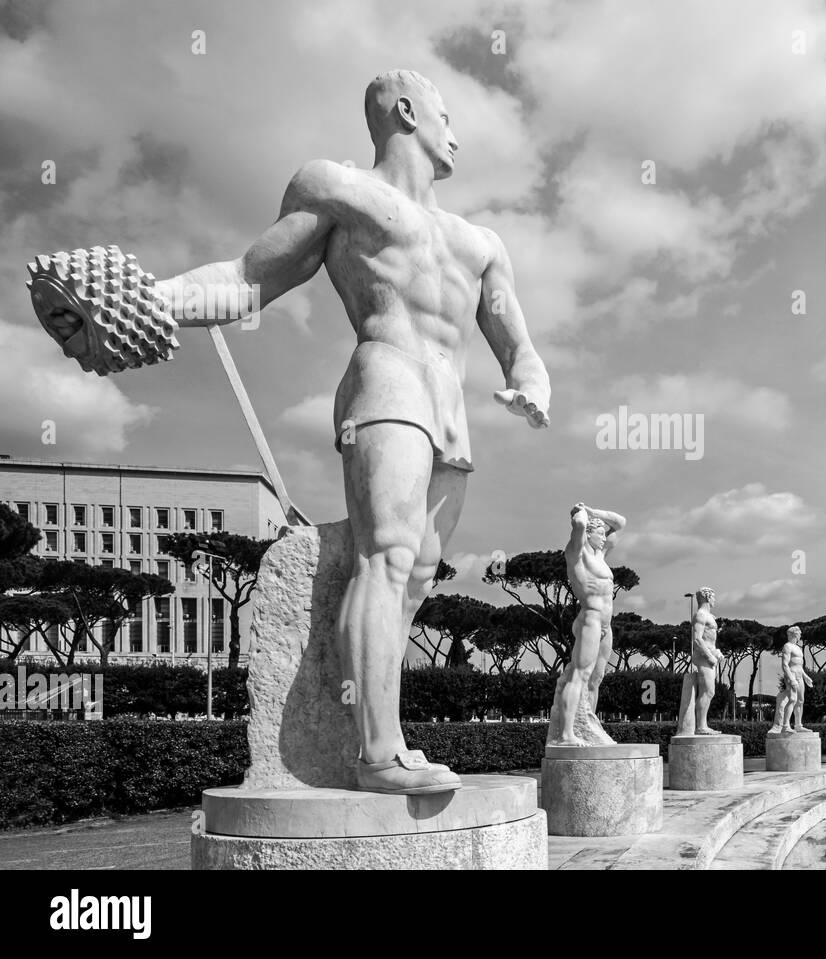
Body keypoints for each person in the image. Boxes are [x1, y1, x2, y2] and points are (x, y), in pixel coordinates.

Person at [150, 70, 551, 793]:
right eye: (446, 114)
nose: (456, 131)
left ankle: (368, 728)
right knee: (387, 556)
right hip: (388, 376)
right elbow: (247, 279)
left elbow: (516, 340)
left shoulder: (479, 241)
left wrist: (533, 380)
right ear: (406, 111)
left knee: (416, 578)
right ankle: (378, 753)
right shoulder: (339, 189)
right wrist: (150, 302)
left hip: (451, 408)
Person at [548, 503, 626, 746]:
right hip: (590, 618)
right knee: (579, 674)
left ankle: (586, 724)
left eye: (604, 533)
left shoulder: (600, 556)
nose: (604, 537)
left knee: (596, 678)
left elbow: (620, 522)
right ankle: (565, 734)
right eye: (600, 533)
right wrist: (580, 514)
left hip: (606, 624)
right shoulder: (576, 553)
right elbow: (580, 524)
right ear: (589, 534)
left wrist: (592, 510)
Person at [677, 587, 724, 735]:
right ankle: (701, 726)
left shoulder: (710, 616)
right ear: (707, 597)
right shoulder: (700, 615)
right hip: (703, 657)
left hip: (710, 656)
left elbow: (709, 640)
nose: (715, 600)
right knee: (707, 691)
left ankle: (702, 725)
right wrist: (710, 656)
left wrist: (716, 652)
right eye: (713, 597)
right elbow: (697, 639)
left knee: (709, 692)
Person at [767, 626, 814, 734]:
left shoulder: (798, 648)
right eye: (799, 633)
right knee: (792, 699)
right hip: (791, 675)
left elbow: (799, 665)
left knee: (800, 701)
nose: (800, 635)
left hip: (799, 675)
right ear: (794, 634)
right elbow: (785, 665)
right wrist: (792, 679)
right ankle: (786, 726)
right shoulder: (787, 646)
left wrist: (806, 676)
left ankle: (798, 725)